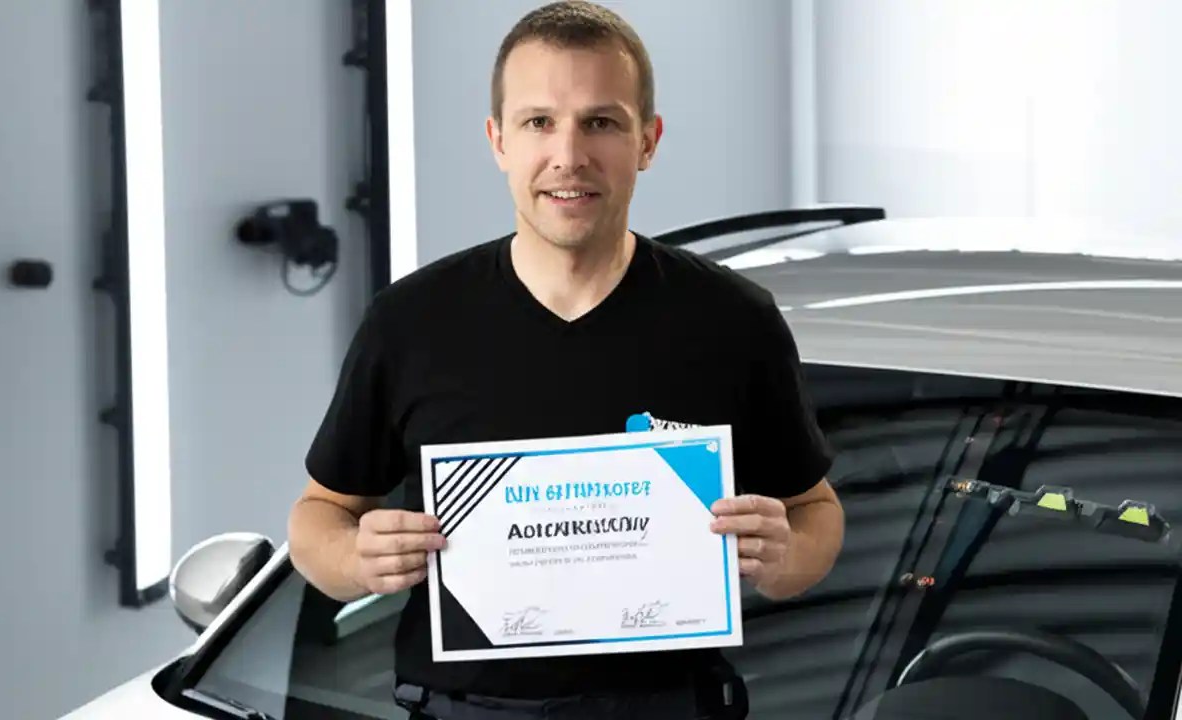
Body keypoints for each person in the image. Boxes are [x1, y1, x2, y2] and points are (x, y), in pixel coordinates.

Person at [288, 1, 845, 717]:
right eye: (538, 122)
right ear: (498, 140)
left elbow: (814, 511)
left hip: (667, 707)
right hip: (463, 709)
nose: (569, 155)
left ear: (648, 139)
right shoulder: (411, 322)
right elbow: (318, 516)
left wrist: (785, 558)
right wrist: (353, 560)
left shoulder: (734, 321)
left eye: (602, 122)